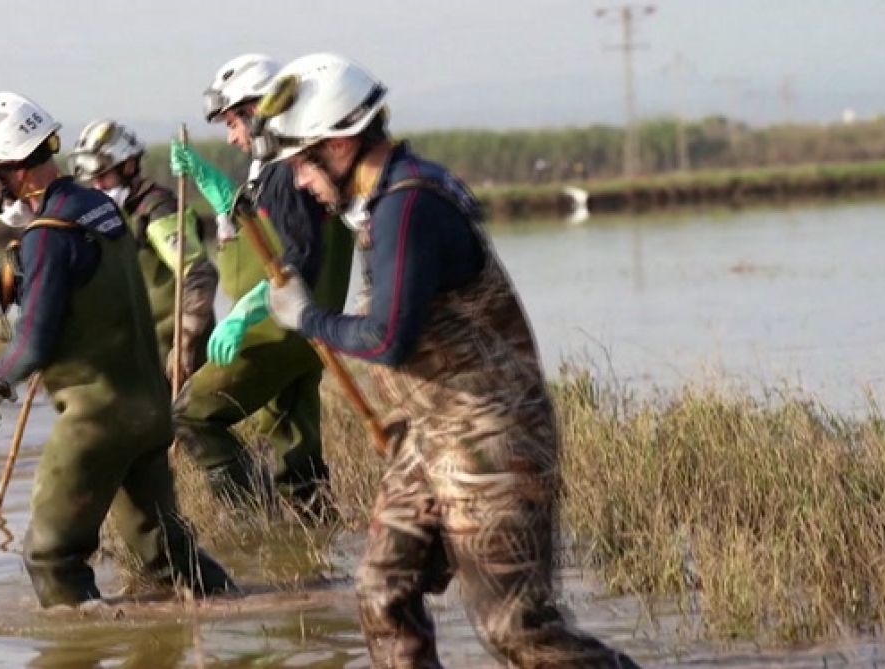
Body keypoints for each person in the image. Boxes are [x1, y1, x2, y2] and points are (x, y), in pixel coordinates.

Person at [254, 53, 641, 668]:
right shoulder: (383, 200)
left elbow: (388, 339)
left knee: (517, 629)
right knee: (382, 594)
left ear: (340, 142)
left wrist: (309, 319)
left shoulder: (409, 205)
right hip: (431, 439)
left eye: (303, 161)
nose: (300, 179)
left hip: (491, 440)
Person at [0, 91, 236, 608]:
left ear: (16, 162)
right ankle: (249, 615)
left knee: (50, 556)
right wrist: (1, 284)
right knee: (170, 560)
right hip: (149, 410)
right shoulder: (97, 208)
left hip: (98, 420)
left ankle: (78, 645)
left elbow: (35, 341)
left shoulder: (48, 232)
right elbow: (76, 287)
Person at [169, 53, 355, 522]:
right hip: (309, 332)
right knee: (294, 445)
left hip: (279, 325)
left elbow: (297, 259)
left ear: (257, 110)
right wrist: (210, 182)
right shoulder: (299, 162)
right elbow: (261, 227)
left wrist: (241, 314)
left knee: (192, 415)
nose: (231, 136)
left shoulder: (283, 172)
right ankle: (311, 540)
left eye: (233, 123)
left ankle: (255, 523)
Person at [67, 120, 217, 386]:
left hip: (177, 351)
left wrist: (184, 342)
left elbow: (199, 275)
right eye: (93, 180)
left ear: (128, 166)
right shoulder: (114, 216)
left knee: (188, 426)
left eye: (104, 176)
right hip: (142, 351)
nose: (98, 185)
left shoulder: (157, 210)